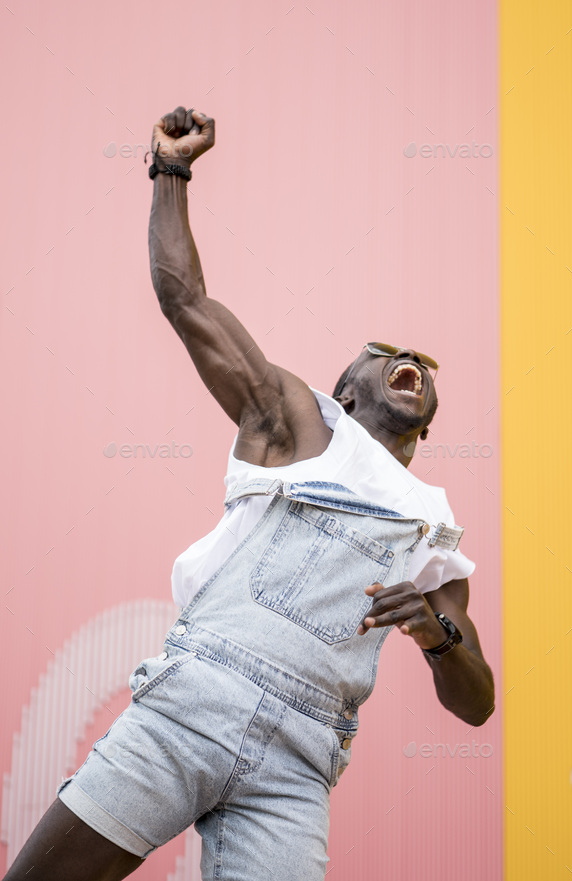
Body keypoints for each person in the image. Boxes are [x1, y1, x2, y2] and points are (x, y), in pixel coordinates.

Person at [4, 106, 494, 881]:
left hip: (296, 770)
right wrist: (171, 169)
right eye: (384, 353)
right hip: (193, 706)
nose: (408, 357)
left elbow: (476, 703)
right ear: (347, 391)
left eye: (423, 360)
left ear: (429, 421)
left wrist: (436, 632)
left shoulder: (433, 525)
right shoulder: (295, 420)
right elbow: (186, 301)